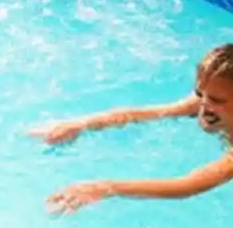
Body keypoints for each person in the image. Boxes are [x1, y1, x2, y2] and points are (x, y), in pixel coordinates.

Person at [34, 44, 233, 214]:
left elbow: (188, 185)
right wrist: (81, 123)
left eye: (215, 100)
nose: (203, 104)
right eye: (200, 93)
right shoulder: (210, 99)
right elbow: (153, 112)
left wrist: (105, 188)